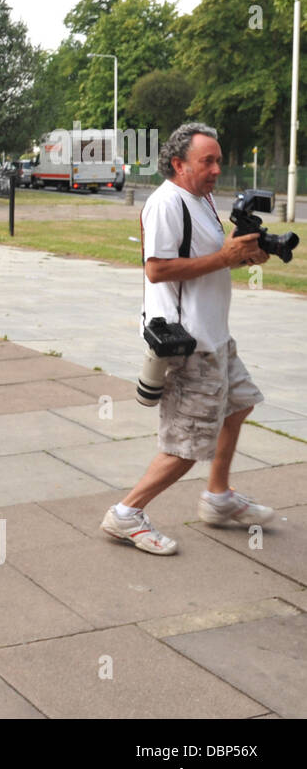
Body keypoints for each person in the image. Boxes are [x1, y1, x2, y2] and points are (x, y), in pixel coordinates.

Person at [101, 122, 273, 554]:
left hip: (216, 336)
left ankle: (217, 498)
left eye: (218, 159)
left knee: (239, 403)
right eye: (207, 161)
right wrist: (223, 257)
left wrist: (242, 256)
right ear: (179, 164)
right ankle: (126, 514)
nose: (217, 168)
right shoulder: (165, 203)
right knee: (186, 444)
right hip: (188, 344)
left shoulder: (202, 199)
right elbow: (156, 269)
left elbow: (207, 262)